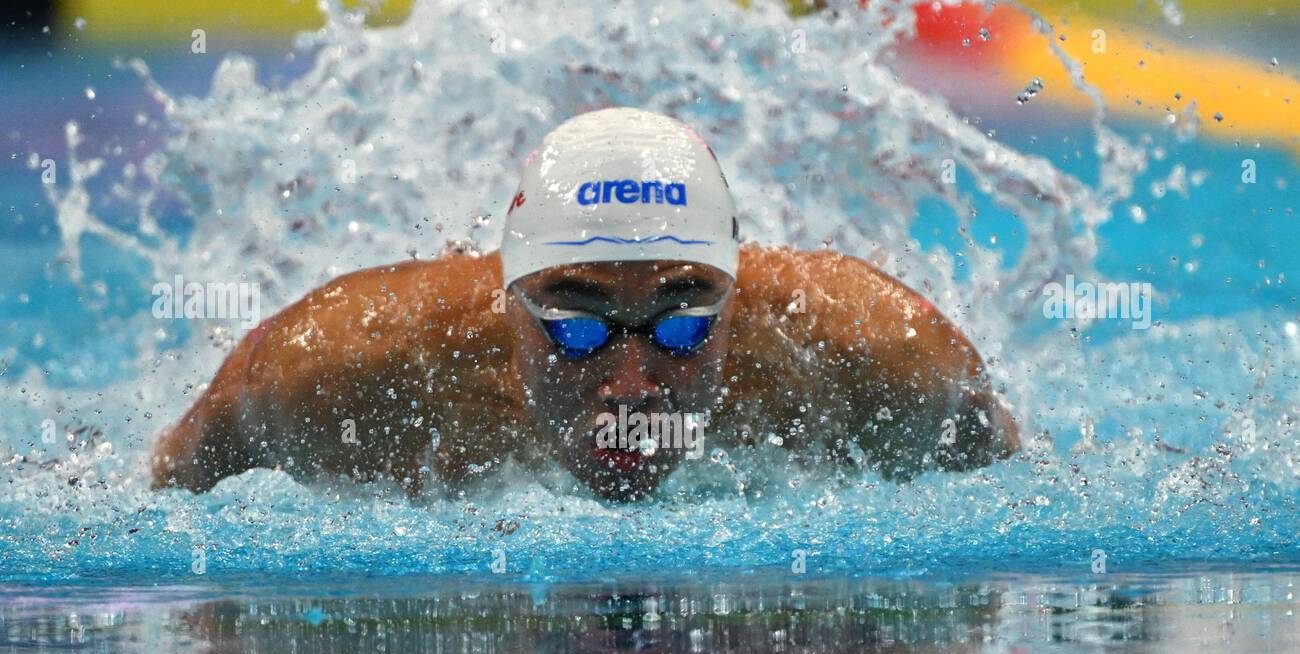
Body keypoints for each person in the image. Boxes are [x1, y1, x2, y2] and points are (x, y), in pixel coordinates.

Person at [152, 107, 1020, 501]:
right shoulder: (337, 367)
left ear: (736, 300)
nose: (632, 385)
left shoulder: (884, 356)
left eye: (684, 325)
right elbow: (166, 489)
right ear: (508, 302)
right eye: (575, 328)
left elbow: (1015, 491)